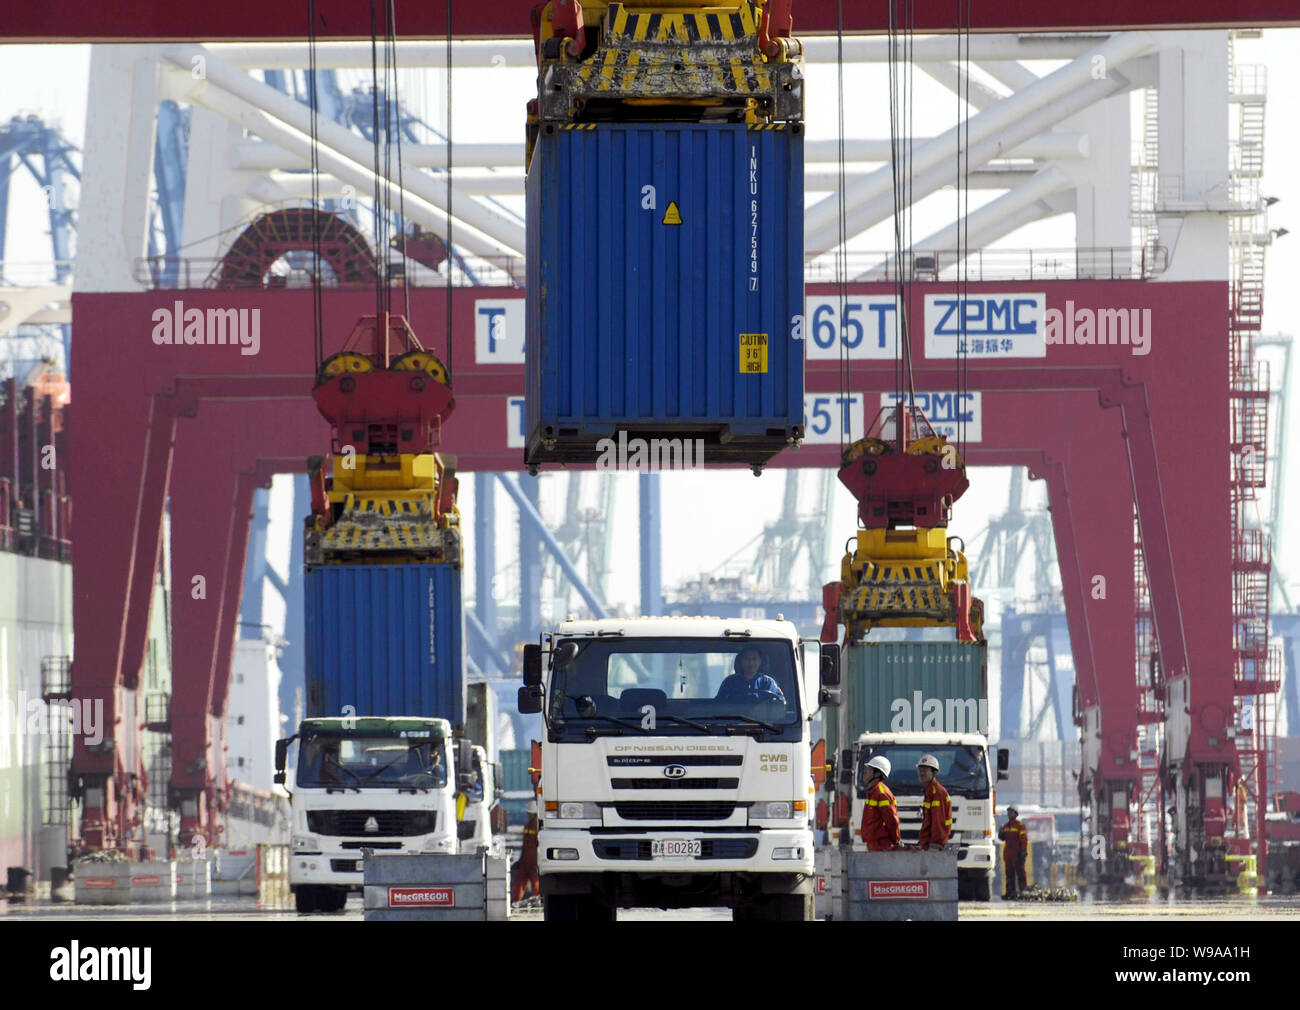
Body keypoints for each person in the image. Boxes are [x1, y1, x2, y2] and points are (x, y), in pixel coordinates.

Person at [715, 647, 786, 704]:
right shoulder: (729, 682)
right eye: (747, 659)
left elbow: (781, 703)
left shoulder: (768, 682)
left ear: (760, 661)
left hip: (763, 721)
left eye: (754, 659)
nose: (751, 663)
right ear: (740, 661)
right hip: (733, 721)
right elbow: (718, 705)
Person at [860, 755, 901, 851]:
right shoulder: (872, 792)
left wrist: (896, 841)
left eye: (869, 769)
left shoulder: (882, 793)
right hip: (873, 845)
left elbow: (891, 821)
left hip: (882, 846)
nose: (865, 772)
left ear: (877, 774)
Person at [916, 753, 952, 850]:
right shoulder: (930, 791)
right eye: (920, 770)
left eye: (925, 770)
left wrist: (935, 845)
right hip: (928, 844)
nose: (921, 773)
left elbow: (938, 823)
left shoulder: (937, 793)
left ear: (934, 773)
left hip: (935, 845)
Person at [511, 800, 541, 903]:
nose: (527, 815)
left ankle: (537, 900)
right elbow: (525, 844)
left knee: (535, 882)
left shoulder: (538, 826)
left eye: (529, 813)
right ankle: (515, 901)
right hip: (526, 860)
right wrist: (520, 860)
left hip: (534, 860)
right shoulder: (528, 825)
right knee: (519, 881)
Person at [998, 806, 1028, 899]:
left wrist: (1023, 851)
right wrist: (1000, 833)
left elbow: (1023, 839)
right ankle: (1010, 893)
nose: (1009, 814)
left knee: (1020, 875)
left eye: (1011, 812)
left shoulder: (1020, 825)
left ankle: (1023, 893)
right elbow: (1003, 838)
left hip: (1018, 854)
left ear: (1015, 814)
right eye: (1008, 812)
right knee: (1009, 875)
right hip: (1008, 855)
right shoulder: (1006, 826)